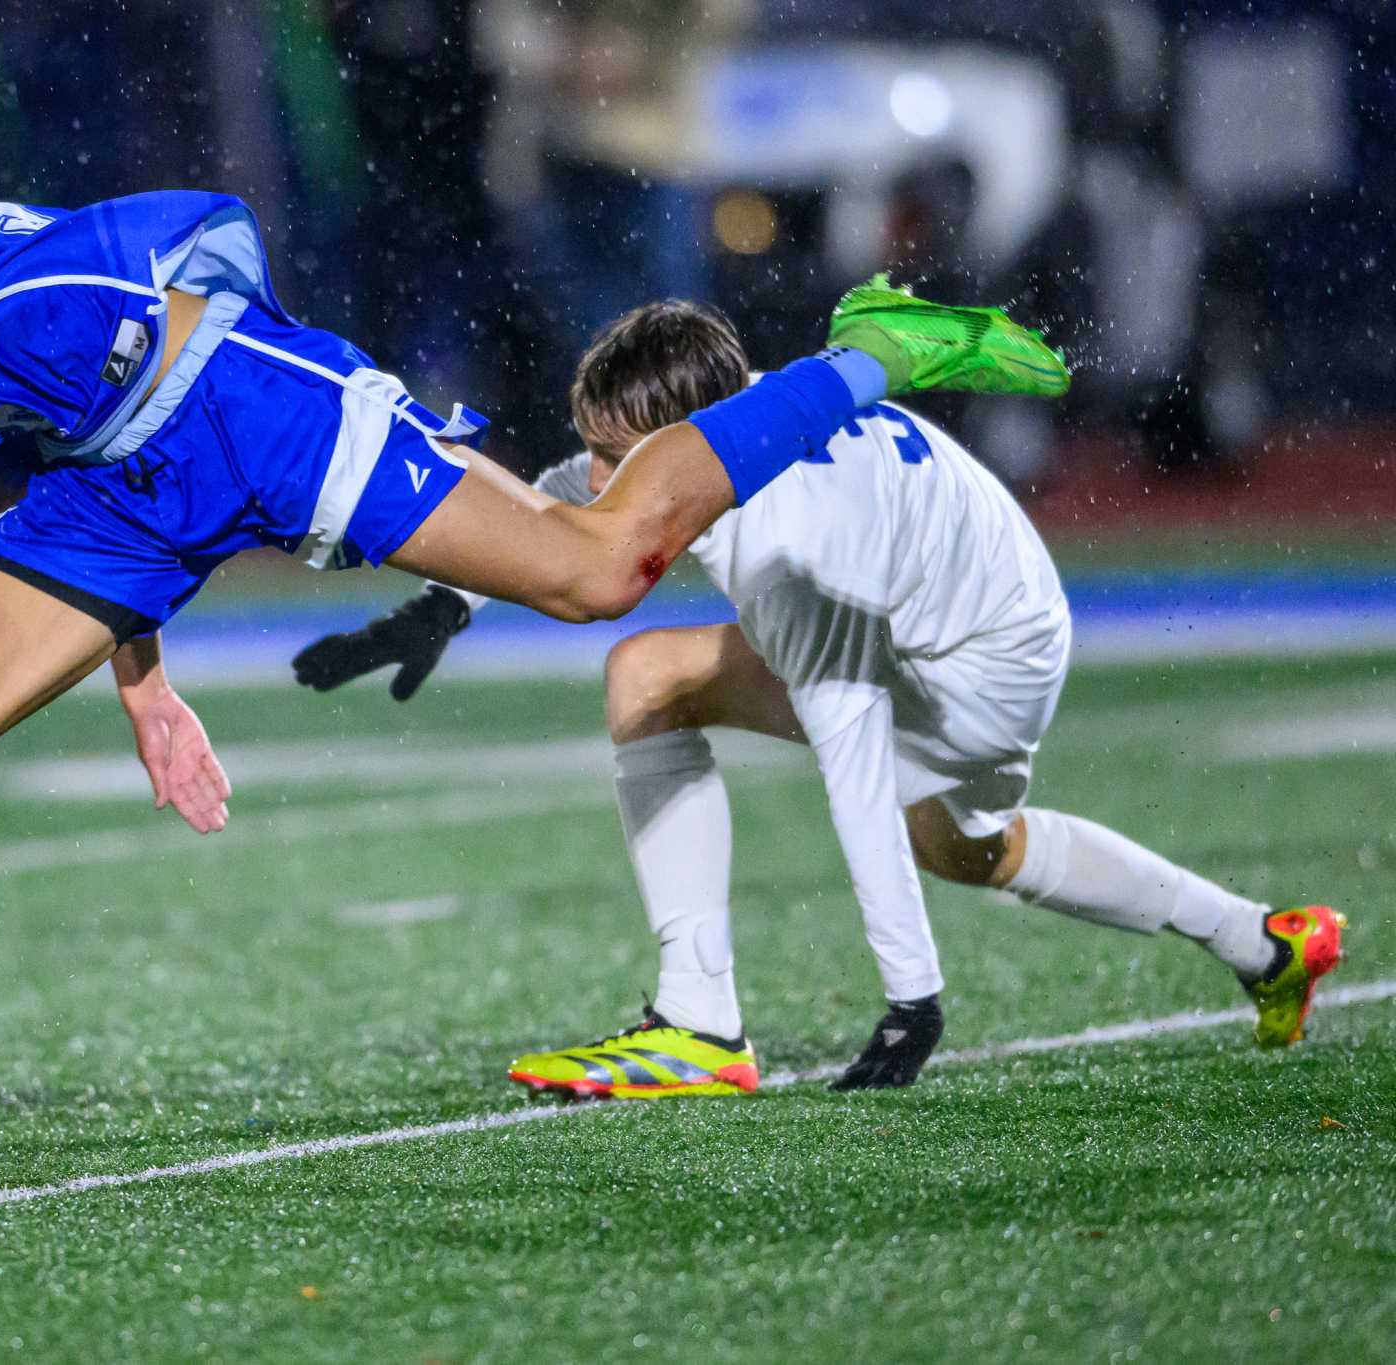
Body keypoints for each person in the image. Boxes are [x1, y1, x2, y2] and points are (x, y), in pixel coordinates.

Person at [0, 182, 1064, 1176]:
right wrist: (141, 677)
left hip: (241, 402)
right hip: (126, 470)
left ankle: (874, 353)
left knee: (598, 570)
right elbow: (53, 356)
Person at [294, 299, 1343, 1097]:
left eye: (626, 457)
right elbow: (578, 491)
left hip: (970, 670)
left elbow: (852, 762)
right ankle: (1264, 941)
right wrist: (447, 602)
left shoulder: (787, 540)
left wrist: (910, 1001)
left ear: (680, 439)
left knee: (650, 679)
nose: (609, 482)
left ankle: (698, 1026)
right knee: (969, 846)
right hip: (981, 625)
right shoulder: (744, 422)